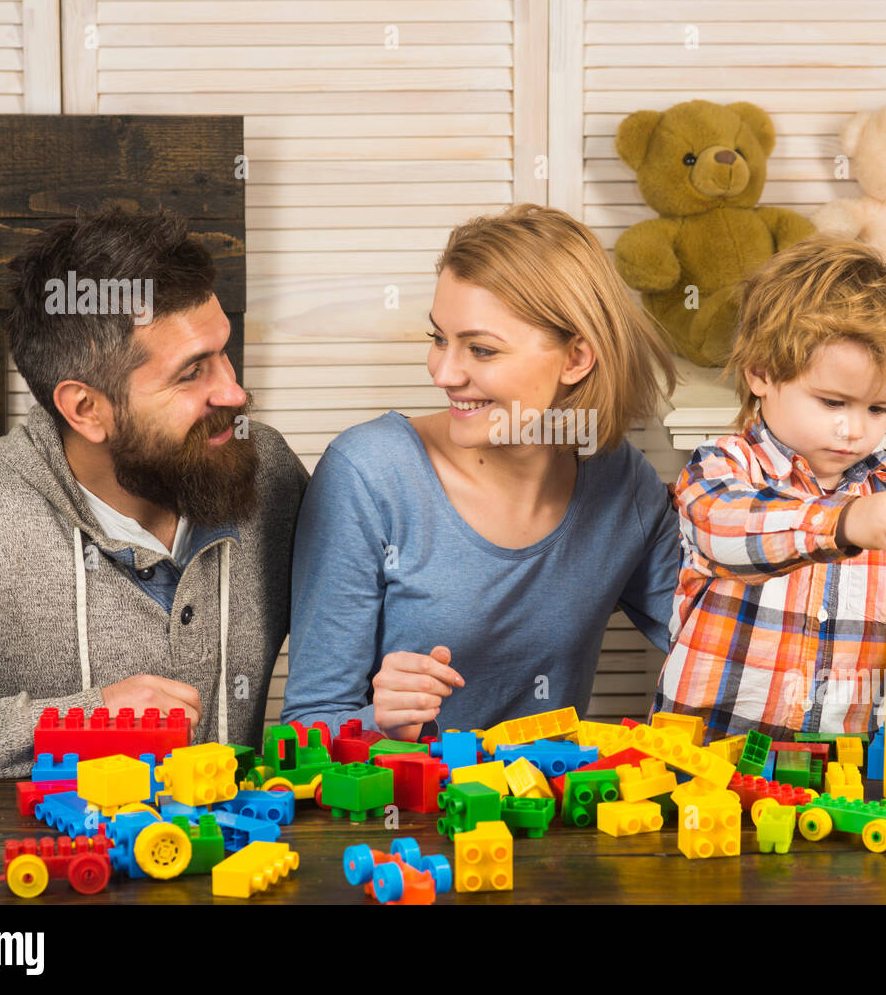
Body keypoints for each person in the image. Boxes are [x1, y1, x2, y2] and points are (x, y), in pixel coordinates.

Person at [0, 207, 308, 902]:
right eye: (191, 374)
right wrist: (82, 720)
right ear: (85, 409)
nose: (233, 392)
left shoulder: (263, 472)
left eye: (223, 351)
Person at [284, 204, 680, 741]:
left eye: (481, 349)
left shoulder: (620, 483)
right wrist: (380, 719)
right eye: (438, 338)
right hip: (401, 819)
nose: (444, 373)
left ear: (576, 359)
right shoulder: (369, 474)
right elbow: (308, 724)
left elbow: (715, 642)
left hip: (548, 815)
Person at [654, 236, 886, 742]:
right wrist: (844, 521)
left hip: (840, 767)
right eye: (832, 402)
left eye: (878, 409)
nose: (854, 430)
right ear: (761, 373)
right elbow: (731, 532)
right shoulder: (721, 468)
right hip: (709, 755)